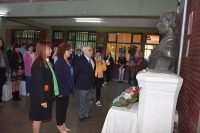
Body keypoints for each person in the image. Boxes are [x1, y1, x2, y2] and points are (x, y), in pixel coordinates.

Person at [29, 40, 59, 133]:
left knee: (39, 118)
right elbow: (38, 83)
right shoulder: (38, 63)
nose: (51, 50)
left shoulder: (45, 61)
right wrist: (42, 100)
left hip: (44, 94)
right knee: (37, 118)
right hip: (39, 97)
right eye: (49, 48)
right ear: (42, 49)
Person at [55, 43, 73, 133]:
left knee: (65, 107)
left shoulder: (66, 60)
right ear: (64, 51)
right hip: (61, 89)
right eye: (69, 50)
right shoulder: (59, 62)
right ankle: (59, 125)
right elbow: (58, 78)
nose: (70, 52)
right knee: (60, 108)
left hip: (66, 88)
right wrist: (60, 92)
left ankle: (63, 123)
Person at [74, 46, 95, 121]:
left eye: (92, 50)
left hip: (90, 85)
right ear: (85, 51)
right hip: (82, 85)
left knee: (89, 101)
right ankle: (81, 115)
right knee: (82, 101)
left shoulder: (92, 60)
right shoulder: (79, 60)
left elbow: (92, 72)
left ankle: (86, 114)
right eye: (90, 50)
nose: (92, 51)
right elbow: (75, 72)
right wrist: (75, 83)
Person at [0, 37, 10, 105]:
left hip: (3, 70)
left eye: (1, 42)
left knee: (2, 83)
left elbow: (7, 62)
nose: (0, 43)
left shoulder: (3, 51)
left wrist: (7, 71)